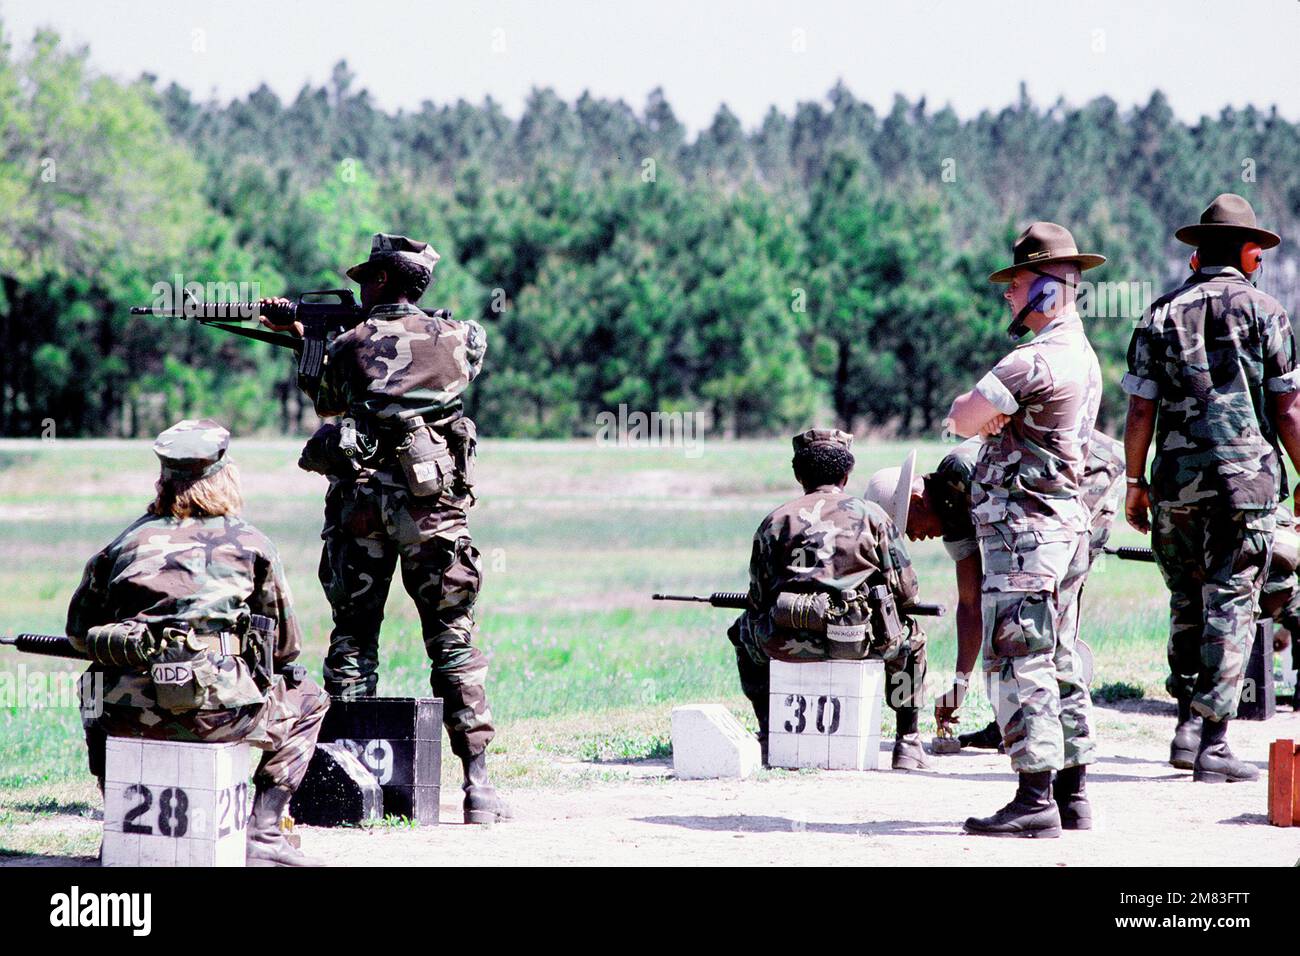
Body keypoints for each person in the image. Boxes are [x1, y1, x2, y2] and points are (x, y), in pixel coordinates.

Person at [259, 233, 509, 824]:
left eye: (364, 279)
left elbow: (327, 403)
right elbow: (458, 361)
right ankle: (478, 788)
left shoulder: (349, 343)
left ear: (379, 282)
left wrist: (306, 341)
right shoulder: (462, 337)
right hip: (435, 512)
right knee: (453, 638)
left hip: (362, 508)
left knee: (352, 637)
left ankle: (345, 775)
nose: (357, 288)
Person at [67, 419, 329, 866]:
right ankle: (264, 833)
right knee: (309, 698)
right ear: (224, 475)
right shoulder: (251, 544)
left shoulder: (126, 543)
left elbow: (78, 633)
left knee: (93, 687)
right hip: (220, 717)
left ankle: (123, 825)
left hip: (129, 717)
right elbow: (286, 649)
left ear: (163, 478)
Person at [1122, 193, 1300, 781]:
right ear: (1249, 254)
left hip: (1174, 485)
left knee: (1186, 599)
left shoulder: (1158, 314)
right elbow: (1289, 408)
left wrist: (1133, 482)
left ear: (1198, 253)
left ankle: (1184, 724)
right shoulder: (1266, 312)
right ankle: (1215, 741)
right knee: (1231, 601)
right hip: (1245, 487)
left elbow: (1139, 411)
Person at [945, 221, 1105, 837]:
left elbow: (961, 417)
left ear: (1043, 290)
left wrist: (984, 424)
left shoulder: (1033, 360)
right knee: (1060, 655)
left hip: (1024, 533)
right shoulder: (1083, 356)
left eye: (1014, 286)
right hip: (1064, 528)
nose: (1008, 298)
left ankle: (1034, 796)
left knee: (1019, 658)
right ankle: (1073, 792)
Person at [864, 430, 1124, 753]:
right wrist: (959, 685)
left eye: (909, 527)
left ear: (918, 501)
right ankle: (1013, 722)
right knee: (1012, 608)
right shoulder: (952, 516)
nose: (914, 539)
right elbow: (971, 604)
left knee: (1048, 611)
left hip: (1086, 473)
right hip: (1048, 498)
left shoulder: (961, 471)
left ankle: (1054, 731)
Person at [727, 429, 930, 771]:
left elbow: (758, 600)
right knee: (913, 639)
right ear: (846, 474)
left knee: (741, 632)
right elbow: (908, 593)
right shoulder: (873, 517)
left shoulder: (775, 522)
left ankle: (768, 735)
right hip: (858, 642)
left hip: (783, 642)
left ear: (798, 474)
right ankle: (907, 743)